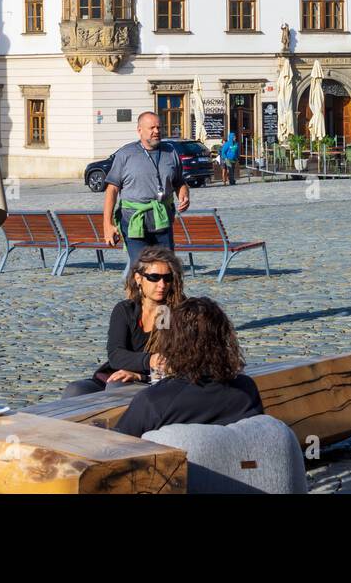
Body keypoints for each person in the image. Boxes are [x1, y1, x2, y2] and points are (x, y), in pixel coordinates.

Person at [114, 297, 265, 438]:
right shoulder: (246, 389)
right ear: (225, 339)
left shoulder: (154, 402)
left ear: (172, 342)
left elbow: (116, 449)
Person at [61, 246, 186, 398]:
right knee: (76, 390)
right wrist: (149, 360)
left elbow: (167, 362)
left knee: (117, 387)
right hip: (115, 374)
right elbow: (116, 355)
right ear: (138, 278)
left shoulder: (167, 311)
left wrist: (141, 375)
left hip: (151, 381)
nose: (161, 285)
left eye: (167, 278)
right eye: (154, 277)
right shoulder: (127, 310)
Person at [103, 111, 191, 273]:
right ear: (139, 130)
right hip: (133, 220)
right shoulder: (125, 154)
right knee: (140, 268)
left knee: (167, 268)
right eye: (152, 128)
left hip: (162, 220)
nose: (157, 131)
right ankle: (135, 297)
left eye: (159, 127)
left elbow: (179, 182)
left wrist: (184, 193)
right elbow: (112, 190)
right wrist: (107, 224)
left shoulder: (170, 152)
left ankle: (166, 298)